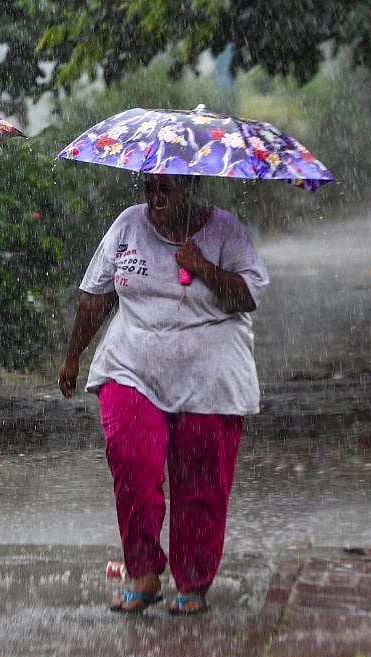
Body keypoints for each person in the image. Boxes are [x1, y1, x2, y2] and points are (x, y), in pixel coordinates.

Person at [57, 173, 268, 616]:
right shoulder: (128, 226)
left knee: (201, 484)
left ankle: (192, 580)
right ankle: (145, 570)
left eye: (165, 188)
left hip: (210, 374)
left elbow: (248, 296)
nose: (155, 198)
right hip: (132, 364)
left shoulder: (226, 230)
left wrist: (203, 266)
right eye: (148, 188)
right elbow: (95, 296)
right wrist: (73, 355)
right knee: (133, 462)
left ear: (191, 187)